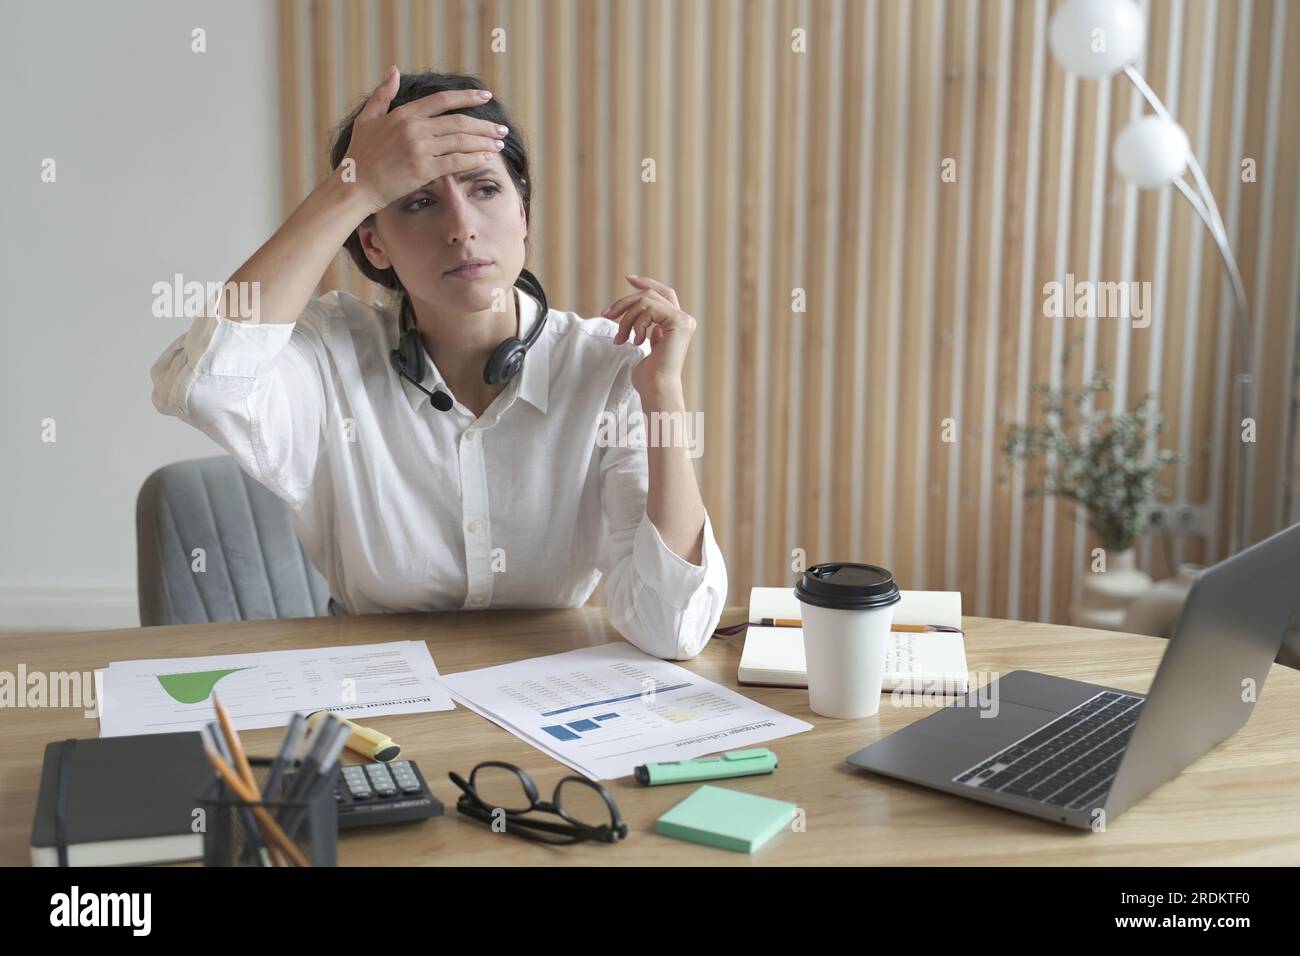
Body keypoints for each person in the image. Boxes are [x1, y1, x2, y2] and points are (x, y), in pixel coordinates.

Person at [149, 68, 727, 660]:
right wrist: (352, 188)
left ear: (522, 213)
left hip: (543, 688)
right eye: (420, 201)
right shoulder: (329, 350)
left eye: (484, 190)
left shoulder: (608, 364)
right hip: (371, 687)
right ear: (373, 243)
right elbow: (210, 386)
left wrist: (664, 398)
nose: (461, 228)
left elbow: (672, 628)